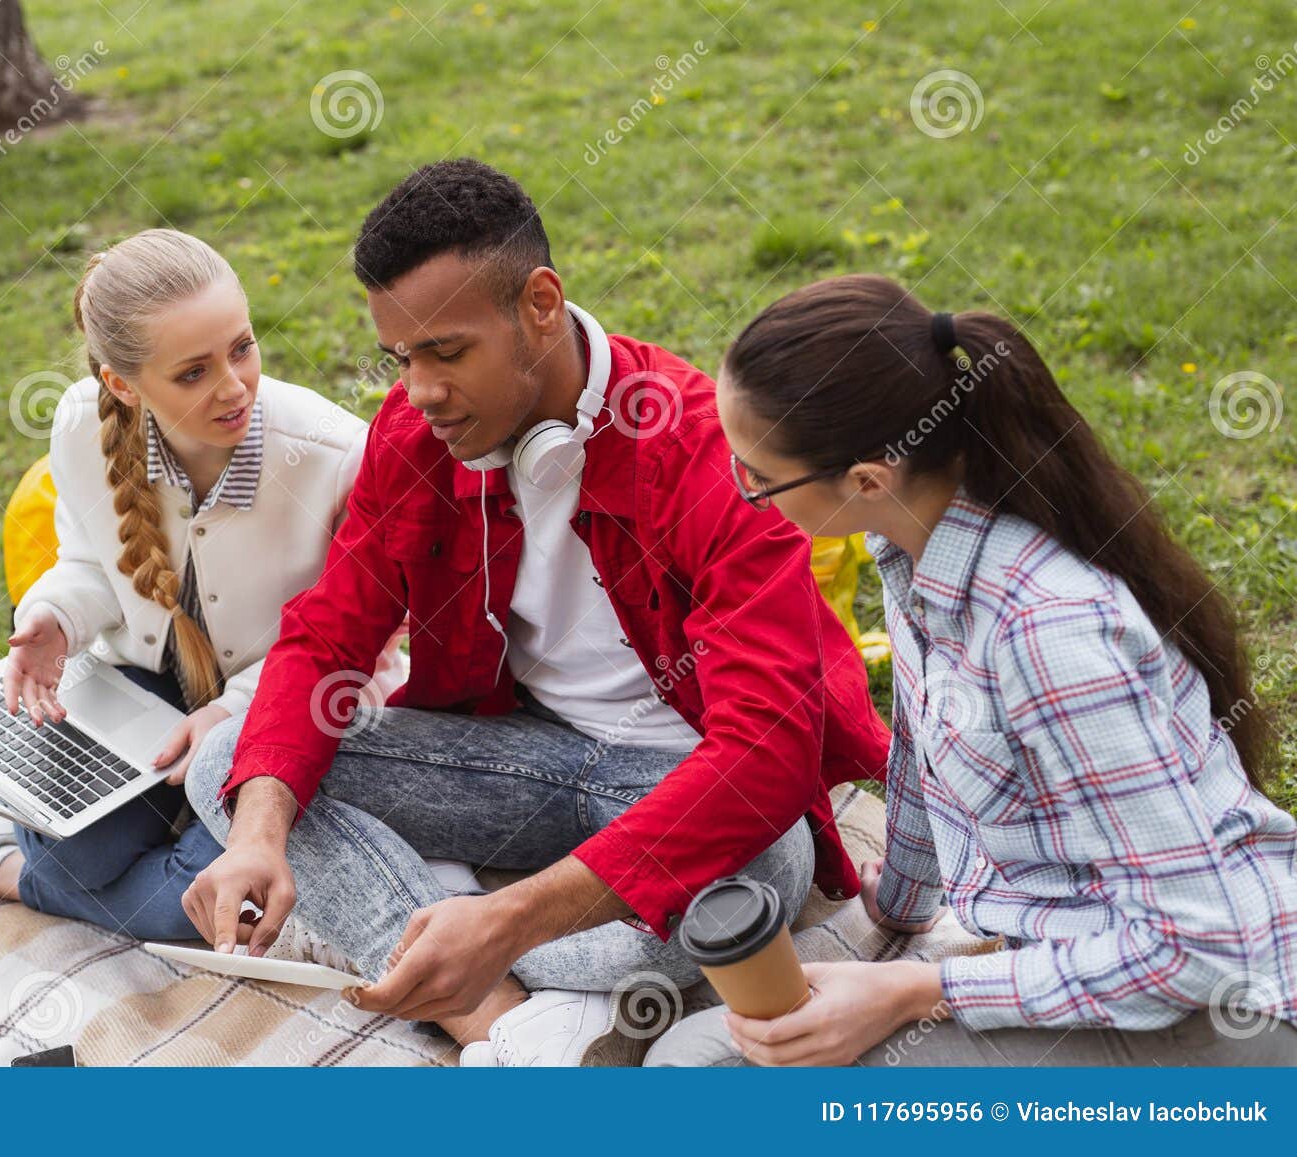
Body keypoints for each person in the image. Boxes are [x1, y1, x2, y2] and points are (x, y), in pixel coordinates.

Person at [180, 159, 891, 1066]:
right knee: (231, 772)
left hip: (695, 779)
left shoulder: (705, 449)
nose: (421, 388)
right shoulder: (415, 434)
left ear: (542, 304)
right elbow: (327, 636)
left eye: (447, 350)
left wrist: (508, 918)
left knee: (766, 879)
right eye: (403, 357)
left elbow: (765, 753)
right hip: (525, 762)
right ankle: (511, 1021)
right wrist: (258, 835)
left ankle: (461, 955)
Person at [647, 272, 1297, 1066]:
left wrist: (919, 992)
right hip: (1076, 950)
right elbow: (924, 757)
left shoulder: (1045, 633)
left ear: (865, 481)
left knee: (705, 1073)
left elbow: (1199, 947)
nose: (741, 491)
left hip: (1225, 1020)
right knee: (704, 1053)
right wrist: (899, 908)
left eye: (759, 475)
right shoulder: (915, 552)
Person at [0, 228, 402, 941]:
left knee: (209, 910)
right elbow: (92, 563)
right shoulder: (81, 423)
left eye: (243, 347)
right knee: (79, 857)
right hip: (143, 687)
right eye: (193, 372)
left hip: (275, 719)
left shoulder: (334, 456)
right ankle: (21, 836)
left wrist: (231, 711)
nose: (234, 386)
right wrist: (54, 616)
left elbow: (369, 646)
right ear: (122, 385)